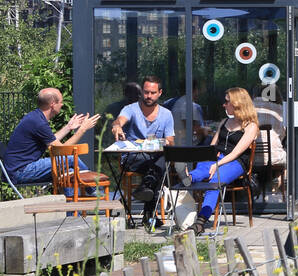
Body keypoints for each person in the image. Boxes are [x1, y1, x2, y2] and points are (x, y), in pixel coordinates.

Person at [182, 87, 260, 234]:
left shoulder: (251, 126)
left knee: (216, 179)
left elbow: (237, 152)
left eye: (227, 102)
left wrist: (217, 164)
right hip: (217, 157)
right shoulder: (224, 122)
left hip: (236, 162)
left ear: (237, 103)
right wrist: (208, 160)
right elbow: (212, 147)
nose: (224, 105)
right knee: (203, 168)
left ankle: (200, 221)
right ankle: (188, 177)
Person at [3, 88, 102, 198]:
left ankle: (72, 213)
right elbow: (61, 151)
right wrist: (82, 129)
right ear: (53, 104)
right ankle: (93, 190)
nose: (62, 104)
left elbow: (52, 140)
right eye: (60, 102)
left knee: (67, 172)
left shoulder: (36, 117)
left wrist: (68, 127)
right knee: (69, 158)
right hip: (21, 171)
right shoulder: (38, 122)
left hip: (19, 169)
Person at [110, 75, 176, 224]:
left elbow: (171, 141)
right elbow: (120, 120)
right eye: (146, 92)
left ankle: (146, 187)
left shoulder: (166, 114)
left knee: (162, 160)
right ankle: (149, 214)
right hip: (133, 158)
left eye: (153, 93)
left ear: (160, 93)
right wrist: (117, 126)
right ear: (142, 92)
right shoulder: (131, 109)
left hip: (154, 158)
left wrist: (161, 142)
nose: (149, 96)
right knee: (158, 167)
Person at [167, 79, 211, 144]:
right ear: (194, 90)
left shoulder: (175, 103)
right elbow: (195, 129)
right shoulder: (191, 106)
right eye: (198, 89)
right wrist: (207, 130)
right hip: (188, 144)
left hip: (177, 142)